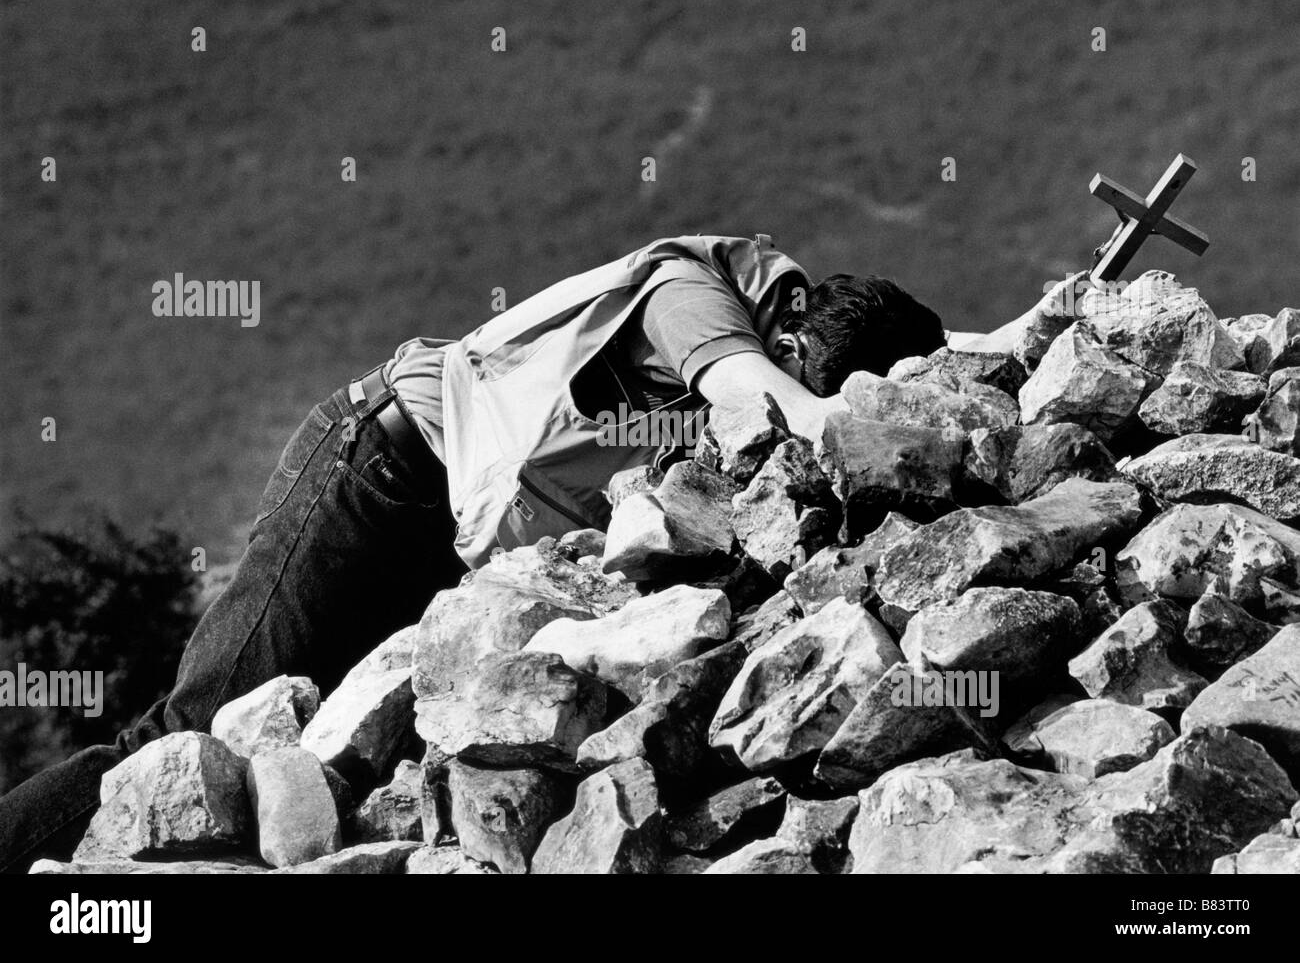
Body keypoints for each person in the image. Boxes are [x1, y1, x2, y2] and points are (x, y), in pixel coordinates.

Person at [0, 234, 945, 872]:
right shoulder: (694, 298)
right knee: (191, 734)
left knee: (312, 763)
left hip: (450, 537)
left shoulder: (769, 331)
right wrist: (894, 435)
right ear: (787, 333)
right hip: (381, 471)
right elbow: (768, 402)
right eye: (800, 367)